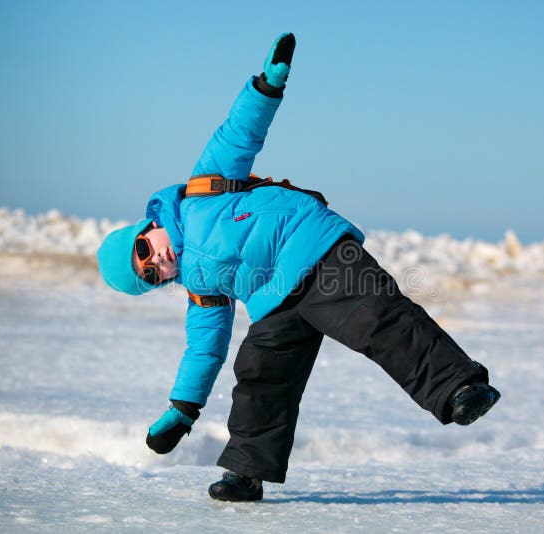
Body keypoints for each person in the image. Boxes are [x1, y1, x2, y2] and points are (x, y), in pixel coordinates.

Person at [97, 33, 500, 502]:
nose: (156, 264)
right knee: (259, 373)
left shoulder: (202, 189)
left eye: (144, 252)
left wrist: (265, 86)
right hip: (275, 303)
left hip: (315, 250)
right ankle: (245, 473)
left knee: (379, 319)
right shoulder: (199, 288)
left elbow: (239, 131)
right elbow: (204, 351)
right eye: (149, 276)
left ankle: (459, 388)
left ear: (146, 228)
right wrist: (182, 411)